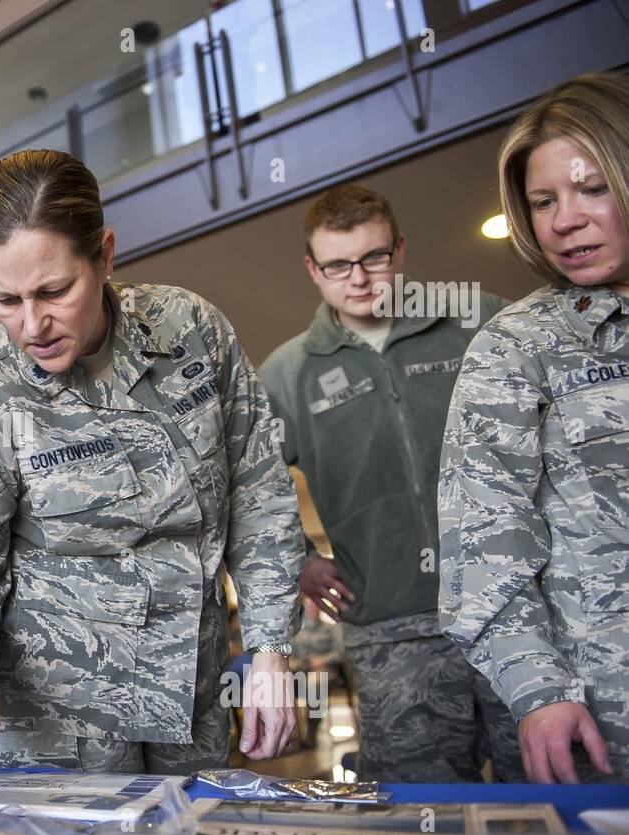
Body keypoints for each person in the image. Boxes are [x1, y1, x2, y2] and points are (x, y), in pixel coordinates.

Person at [0, 149, 305, 772]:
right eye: (4, 299)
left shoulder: (192, 332)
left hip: (192, 713)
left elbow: (258, 494)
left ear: (105, 256)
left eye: (54, 290)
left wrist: (271, 647)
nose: (32, 324)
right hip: (58, 739)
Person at [258, 184, 520, 782]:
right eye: (338, 264)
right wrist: (297, 558)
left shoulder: (478, 321)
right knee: (421, 814)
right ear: (312, 269)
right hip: (390, 634)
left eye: (374, 257)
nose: (359, 278)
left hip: (513, 611)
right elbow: (247, 490)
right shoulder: (288, 373)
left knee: (550, 800)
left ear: (399, 250)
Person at [439, 72, 629, 783]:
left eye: (592, 188)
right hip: (603, 729)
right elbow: (484, 541)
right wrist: (538, 693)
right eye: (543, 201)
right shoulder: (516, 347)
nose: (563, 220)